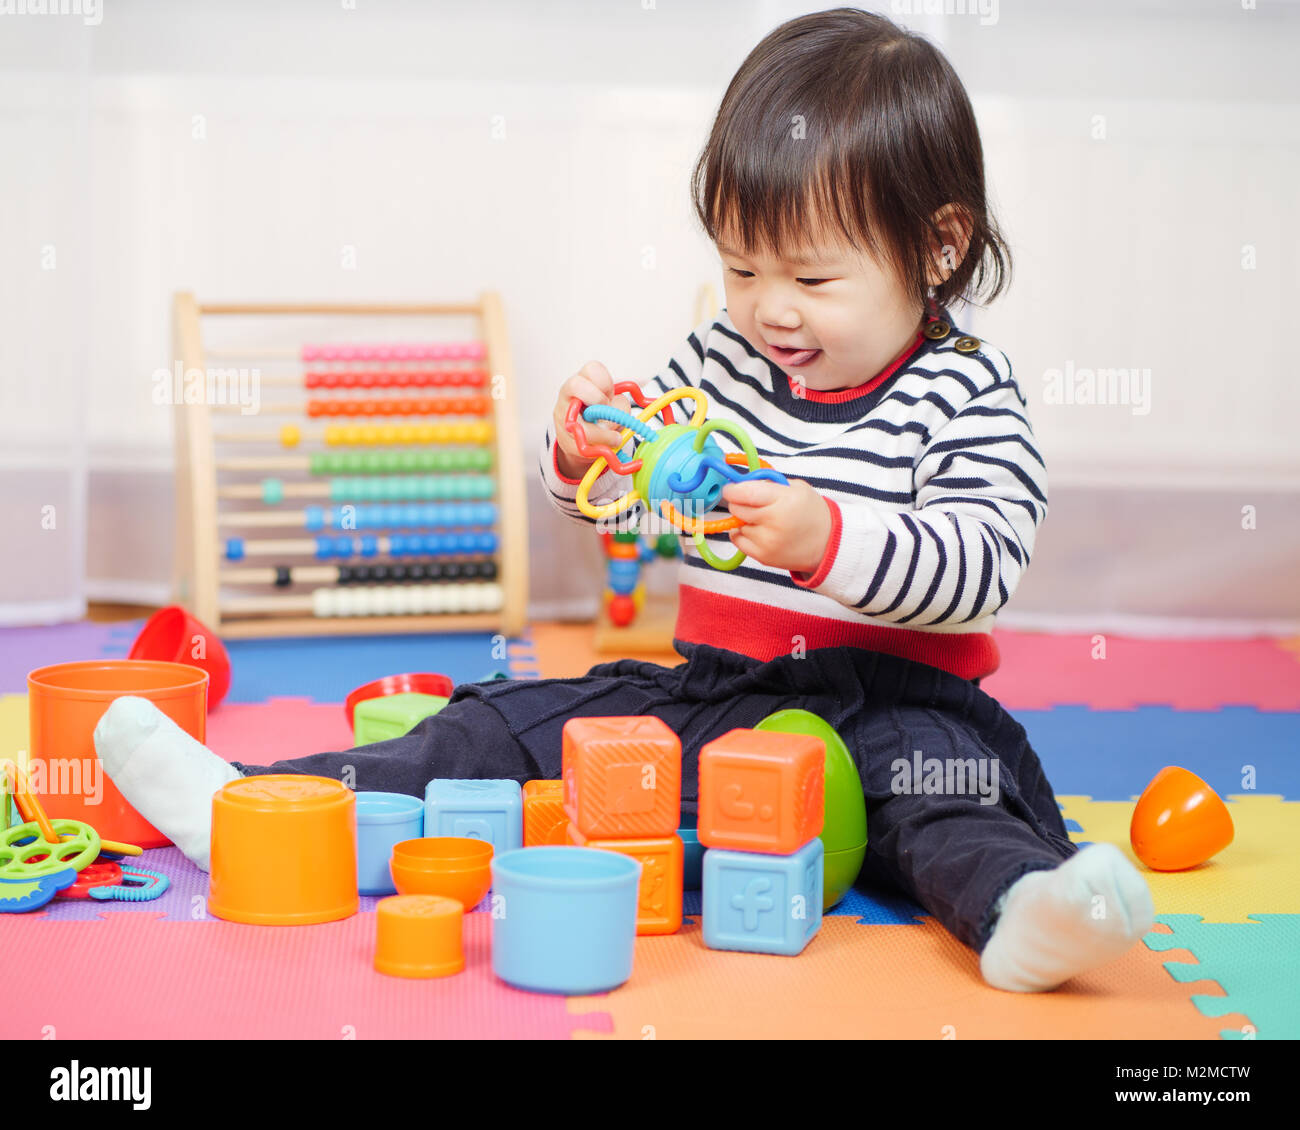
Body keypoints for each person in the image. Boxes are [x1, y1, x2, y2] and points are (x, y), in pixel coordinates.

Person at [95, 8, 1152, 992]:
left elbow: (982, 556)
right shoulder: (725, 357)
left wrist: (824, 536)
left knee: (948, 800)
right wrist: (581, 452)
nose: (767, 309)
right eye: (740, 267)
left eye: (811, 279)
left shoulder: (967, 390)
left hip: (905, 701)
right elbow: (631, 503)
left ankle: (1026, 911)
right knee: (503, 727)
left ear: (937, 246)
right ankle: (250, 800)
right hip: (721, 690)